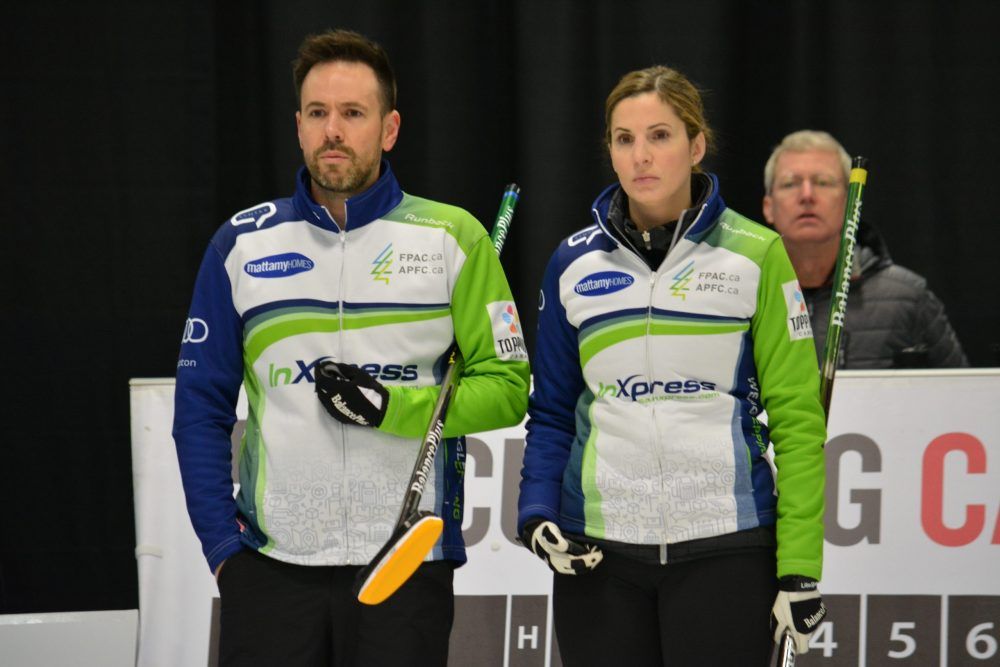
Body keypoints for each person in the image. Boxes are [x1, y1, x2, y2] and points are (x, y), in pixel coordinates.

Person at [172, 28, 529, 667]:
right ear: (300, 126)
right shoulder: (242, 245)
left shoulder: (456, 237)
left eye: (353, 114)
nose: (333, 130)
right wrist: (225, 554)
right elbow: (199, 407)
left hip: (405, 566)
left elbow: (507, 389)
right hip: (271, 570)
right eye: (318, 113)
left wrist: (391, 408)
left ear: (389, 129)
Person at [517, 66, 828, 665]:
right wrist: (535, 513)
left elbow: (797, 421)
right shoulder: (571, 264)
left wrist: (800, 570)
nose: (642, 156)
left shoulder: (756, 255)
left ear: (696, 144)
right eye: (624, 139)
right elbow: (551, 411)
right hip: (598, 557)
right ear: (609, 151)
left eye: (659, 135)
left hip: (728, 551)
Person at [762, 130, 968, 368]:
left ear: (851, 202)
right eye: (790, 184)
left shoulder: (908, 298)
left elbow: (963, 398)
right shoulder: (745, 292)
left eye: (823, 182)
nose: (807, 195)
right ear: (768, 207)